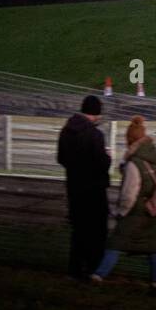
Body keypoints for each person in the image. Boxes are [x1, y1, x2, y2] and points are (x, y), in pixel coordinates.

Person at [91, 116, 156, 294]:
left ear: (130, 140)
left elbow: (129, 193)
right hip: (151, 210)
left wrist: (121, 211)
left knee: (116, 242)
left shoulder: (135, 163)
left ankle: (98, 275)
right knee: (153, 246)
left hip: (135, 211)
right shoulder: (154, 158)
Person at [57, 95, 111, 282]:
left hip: (74, 187)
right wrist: (107, 156)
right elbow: (101, 164)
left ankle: (74, 270)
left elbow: (61, 158)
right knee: (97, 231)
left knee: (78, 230)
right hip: (94, 190)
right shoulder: (95, 135)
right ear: (96, 114)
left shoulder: (66, 131)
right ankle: (93, 269)